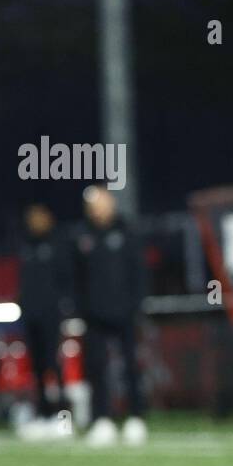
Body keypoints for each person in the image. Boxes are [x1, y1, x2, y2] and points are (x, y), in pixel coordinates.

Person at [73, 186, 147, 446]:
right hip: (94, 315)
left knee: (131, 367)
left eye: (101, 204)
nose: (97, 211)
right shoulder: (82, 236)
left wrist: (136, 305)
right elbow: (77, 279)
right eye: (93, 206)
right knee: (96, 368)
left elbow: (138, 272)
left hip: (124, 313)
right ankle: (101, 419)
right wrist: (80, 309)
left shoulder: (127, 232)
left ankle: (136, 418)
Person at [17, 204, 73, 424]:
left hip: (51, 314)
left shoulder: (58, 244)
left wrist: (63, 306)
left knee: (54, 363)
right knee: (37, 366)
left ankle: (63, 415)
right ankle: (42, 413)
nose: (34, 222)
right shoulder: (26, 246)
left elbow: (66, 280)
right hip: (31, 315)